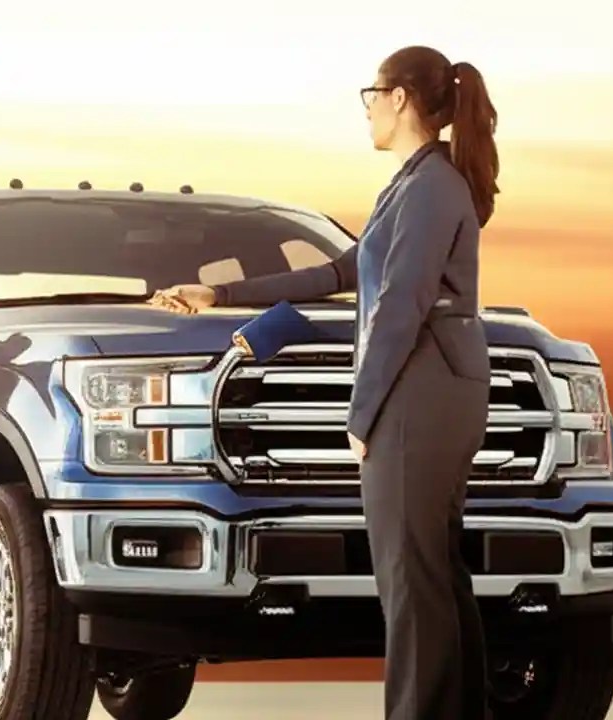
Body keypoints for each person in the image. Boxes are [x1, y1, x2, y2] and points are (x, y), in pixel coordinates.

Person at [151, 45, 500, 720]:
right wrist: (219, 292)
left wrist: (361, 415)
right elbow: (340, 272)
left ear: (400, 98)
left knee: (410, 580)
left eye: (373, 92)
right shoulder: (416, 182)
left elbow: (401, 302)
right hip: (433, 388)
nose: (366, 106)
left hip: (420, 394)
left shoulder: (431, 186)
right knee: (434, 574)